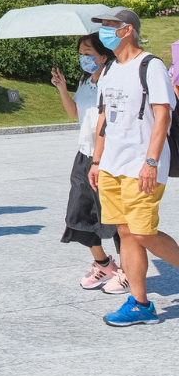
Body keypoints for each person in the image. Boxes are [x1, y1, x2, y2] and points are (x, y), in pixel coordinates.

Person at [88, 8, 179, 326]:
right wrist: (97, 161)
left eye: (110, 26)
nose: (104, 32)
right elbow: (104, 119)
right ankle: (140, 304)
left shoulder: (149, 66)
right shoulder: (110, 69)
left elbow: (162, 115)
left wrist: (151, 161)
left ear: (127, 30)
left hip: (142, 165)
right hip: (112, 165)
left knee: (142, 231)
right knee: (126, 232)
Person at [51, 33, 127, 292]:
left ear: (104, 56)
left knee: (115, 219)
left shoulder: (112, 81)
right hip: (84, 156)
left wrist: (99, 159)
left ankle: (128, 271)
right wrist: (61, 87)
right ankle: (104, 264)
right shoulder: (86, 81)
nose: (83, 57)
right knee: (78, 214)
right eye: (81, 53)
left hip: (107, 158)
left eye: (88, 52)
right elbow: (74, 113)